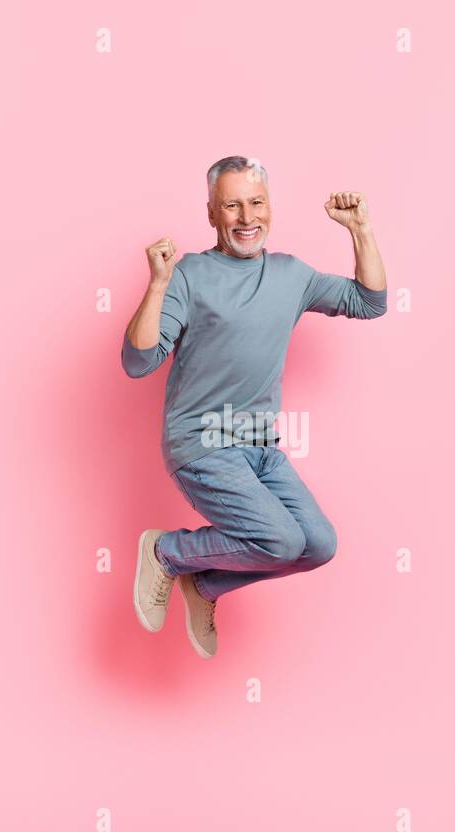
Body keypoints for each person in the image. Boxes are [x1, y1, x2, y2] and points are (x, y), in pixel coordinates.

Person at [121, 155, 388, 659]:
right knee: (282, 541)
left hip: (261, 449)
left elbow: (370, 302)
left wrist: (361, 230)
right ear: (211, 214)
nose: (247, 218)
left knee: (318, 545)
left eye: (257, 203)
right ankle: (165, 552)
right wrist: (157, 286)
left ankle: (205, 586)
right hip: (202, 443)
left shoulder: (292, 275)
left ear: (271, 207)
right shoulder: (190, 275)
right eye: (232, 206)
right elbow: (137, 362)